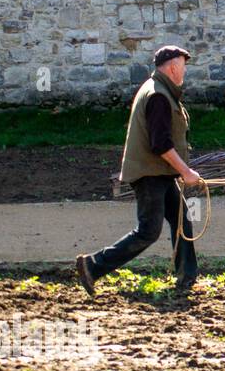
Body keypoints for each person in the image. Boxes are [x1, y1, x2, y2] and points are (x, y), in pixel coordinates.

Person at [76, 45, 201, 295]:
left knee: (181, 218)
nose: (185, 70)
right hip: (150, 174)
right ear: (172, 66)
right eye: (183, 64)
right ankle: (93, 265)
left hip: (159, 173)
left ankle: (187, 276)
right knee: (148, 231)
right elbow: (161, 145)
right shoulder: (158, 96)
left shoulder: (161, 90)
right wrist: (186, 172)